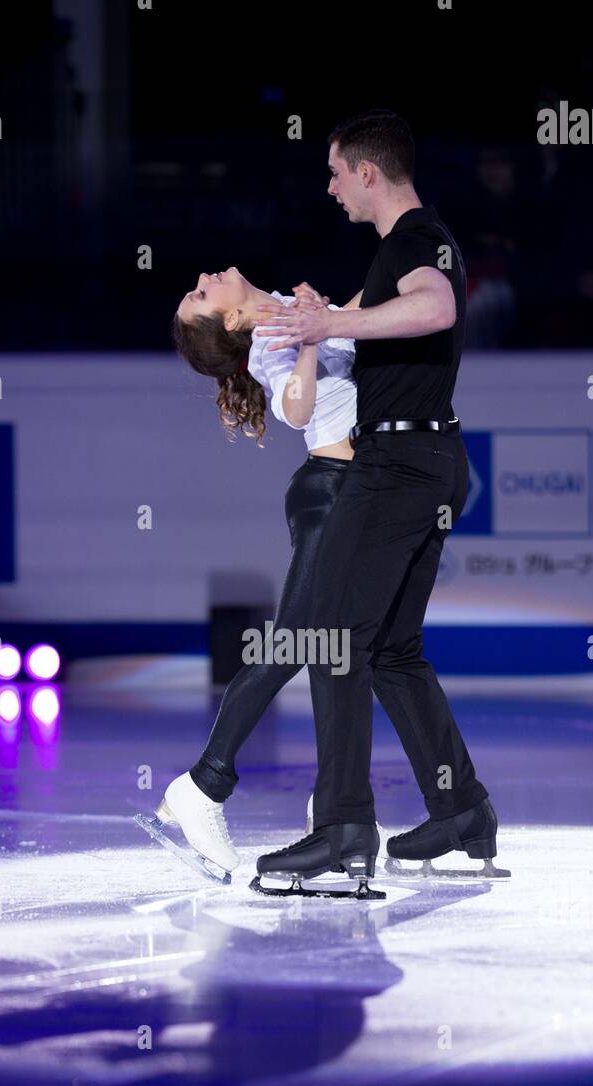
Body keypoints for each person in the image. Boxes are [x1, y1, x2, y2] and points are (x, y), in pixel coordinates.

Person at [253, 111, 501, 894]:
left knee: (331, 634)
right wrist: (313, 322)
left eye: (334, 173)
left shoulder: (417, 241)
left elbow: (435, 308)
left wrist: (335, 319)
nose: (329, 189)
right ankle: (460, 809)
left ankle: (343, 827)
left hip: (398, 463)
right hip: (427, 460)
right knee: (391, 647)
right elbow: (350, 326)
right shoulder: (396, 252)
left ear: (368, 171)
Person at [147, 267, 378, 878]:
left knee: (345, 653)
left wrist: (345, 300)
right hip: (329, 494)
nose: (202, 276)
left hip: (356, 492)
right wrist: (310, 335)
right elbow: (298, 411)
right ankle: (203, 786)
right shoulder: (271, 344)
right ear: (229, 321)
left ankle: (333, 805)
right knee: (294, 645)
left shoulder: (281, 305)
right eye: (200, 292)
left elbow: (353, 332)